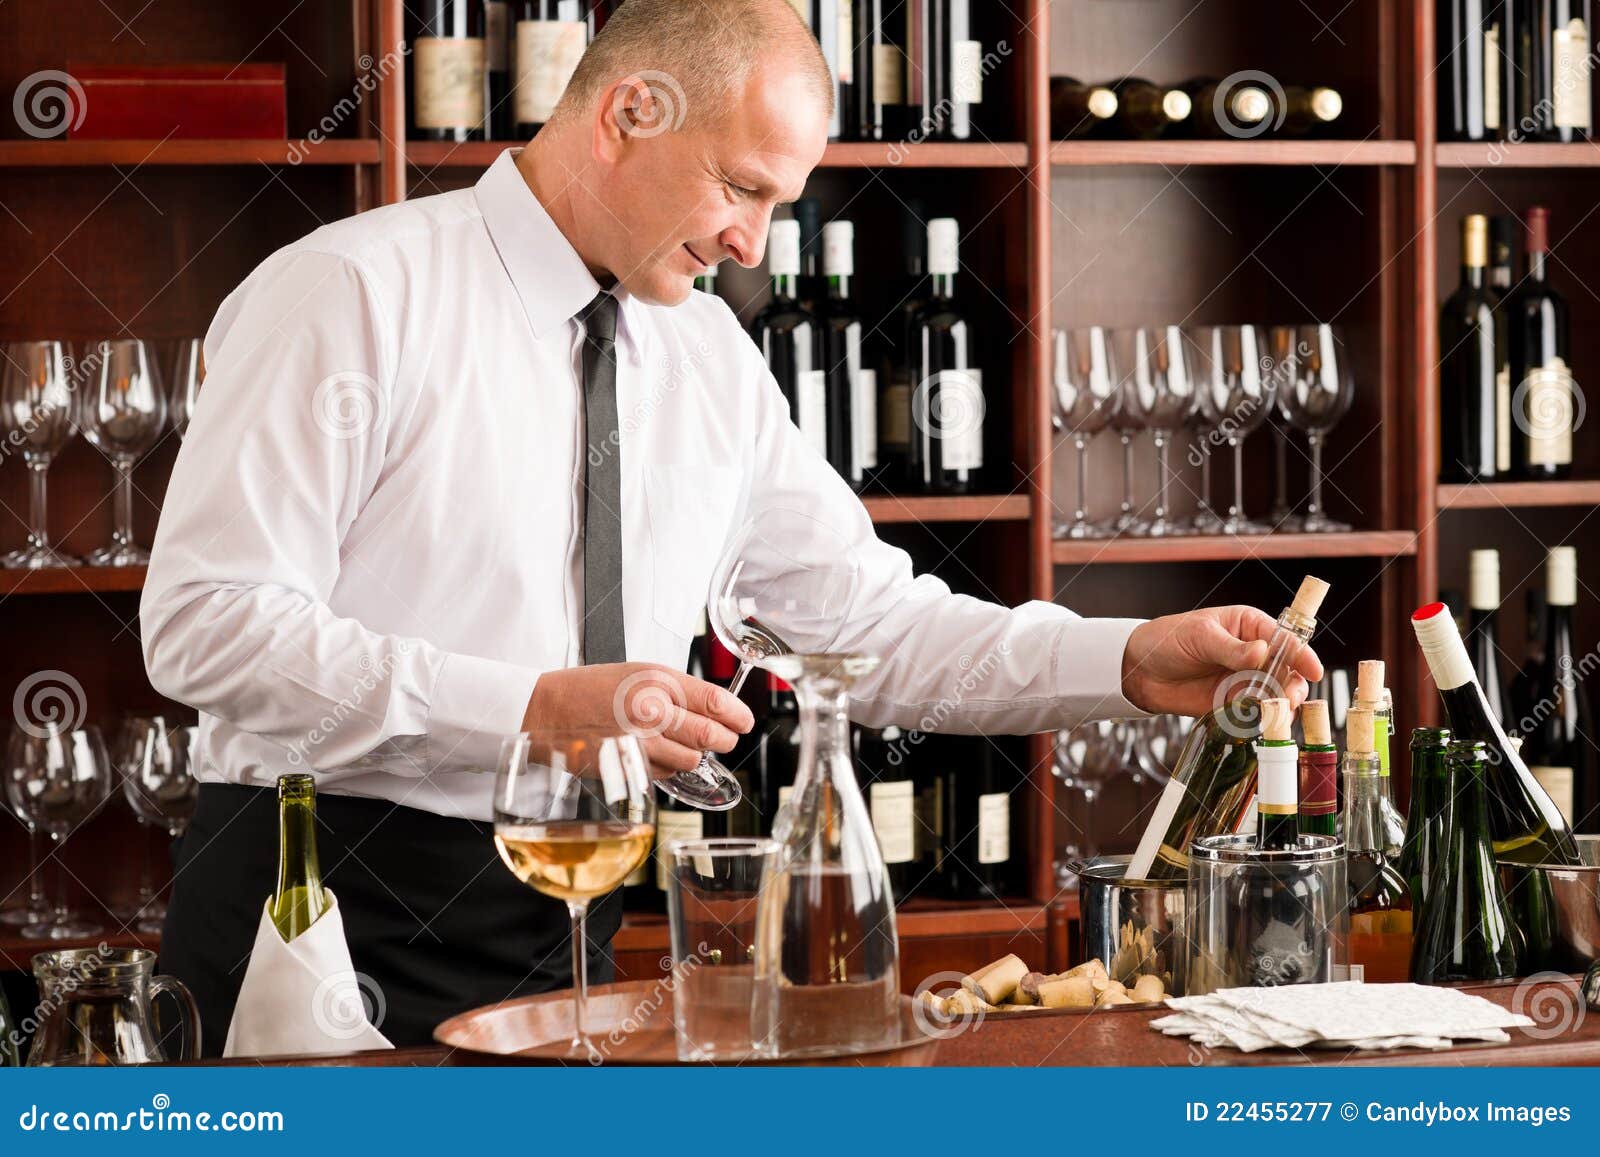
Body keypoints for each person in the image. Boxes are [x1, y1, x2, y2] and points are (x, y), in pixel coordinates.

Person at [141, 0, 1320, 1053]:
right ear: (626, 113)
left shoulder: (706, 354)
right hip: (319, 902)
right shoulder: (353, 292)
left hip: (573, 908)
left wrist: (1122, 657)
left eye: (780, 203)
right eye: (741, 188)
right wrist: (534, 708)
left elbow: (871, 625)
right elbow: (205, 627)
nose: (755, 244)